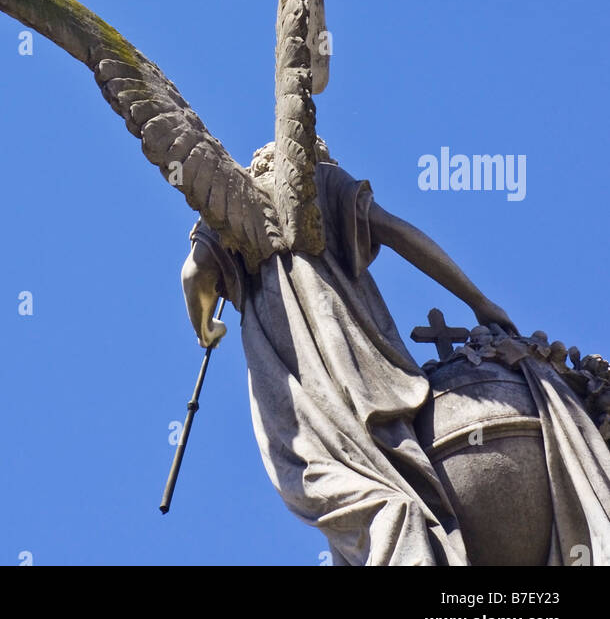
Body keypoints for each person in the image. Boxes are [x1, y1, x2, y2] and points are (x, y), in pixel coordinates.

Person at [181, 140, 517, 566]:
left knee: (349, 493)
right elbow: (397, 232)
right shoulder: (323, 180)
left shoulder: (227, 204)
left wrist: (206, 326)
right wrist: (479, 301)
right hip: (368, 373)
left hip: (296, 392)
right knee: (391, 480)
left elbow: (194, 275)